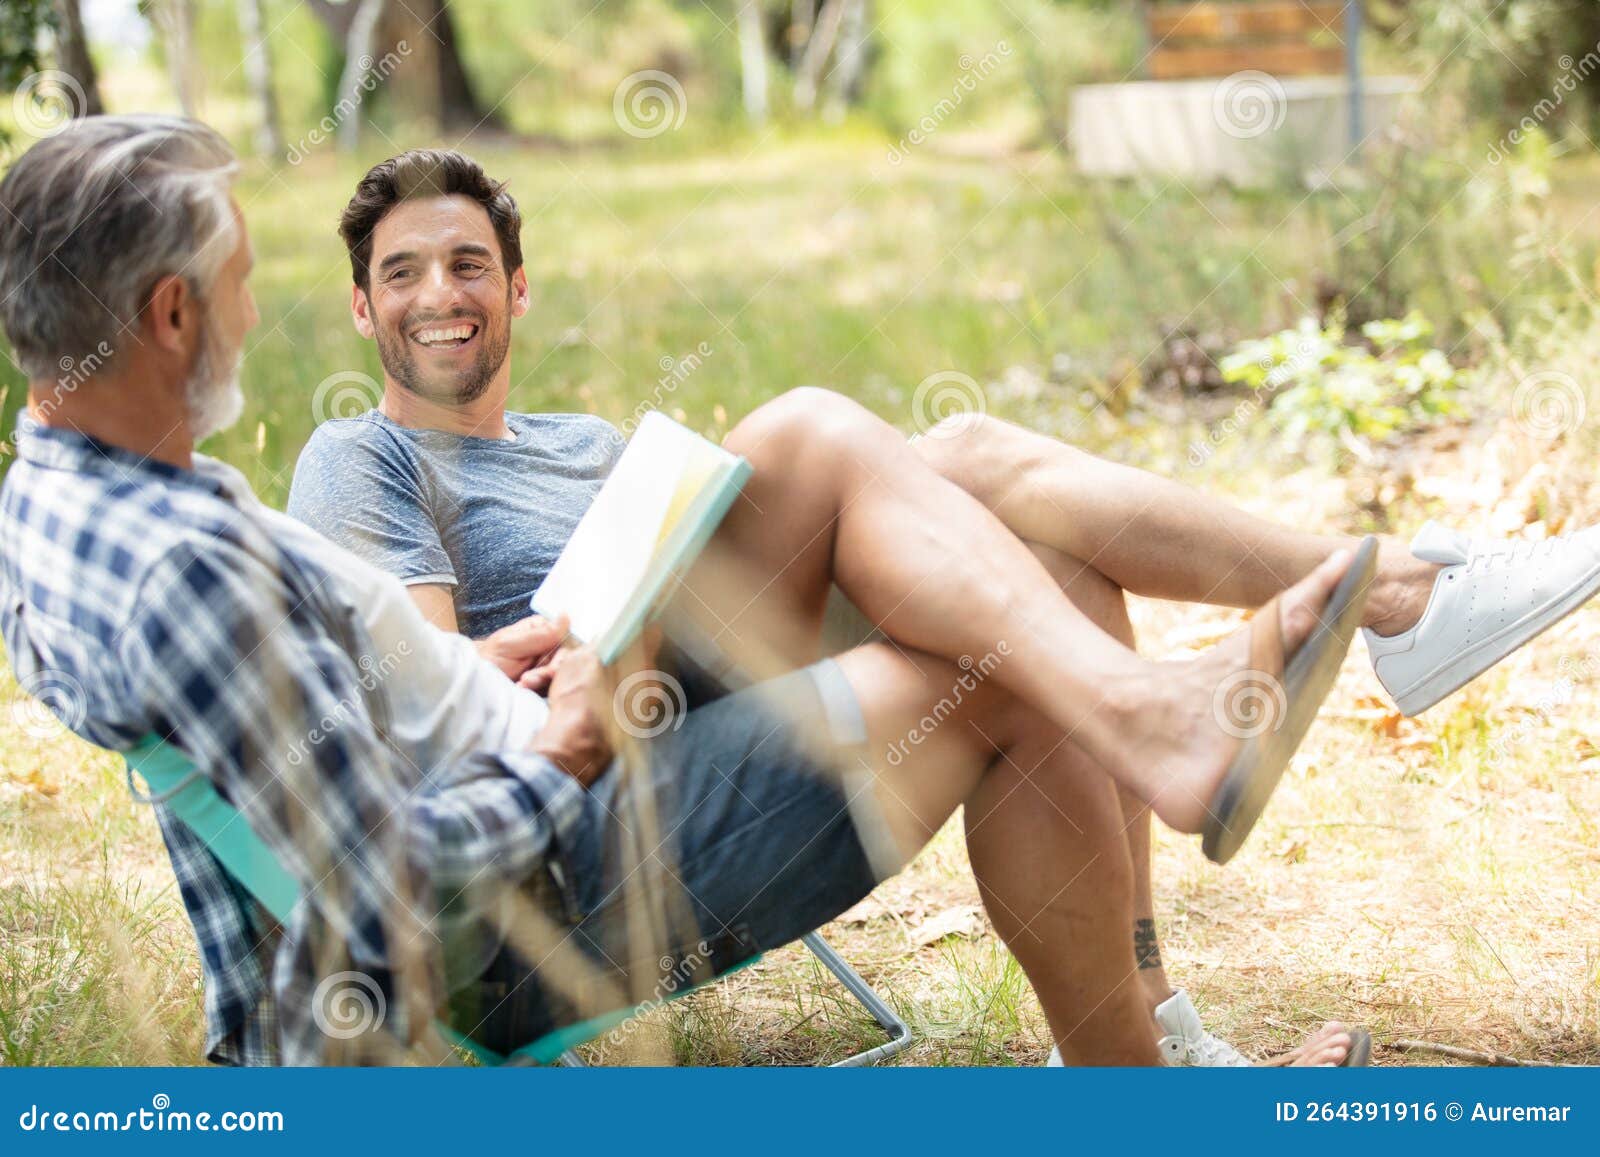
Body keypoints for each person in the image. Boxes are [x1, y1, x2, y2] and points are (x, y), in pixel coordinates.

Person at [0, 117, 1363, 1067]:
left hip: (554, 739)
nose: (251, 312)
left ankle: (1154, 993)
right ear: (172, 316)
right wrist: (568, 738)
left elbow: (375, 721)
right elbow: (388, 889)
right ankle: (1142, 1036)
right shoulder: (197, 554)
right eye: (238, 284)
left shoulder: (79, 490)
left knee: (989, 542)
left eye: (469, 264)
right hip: (531, 892)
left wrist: (531, 663)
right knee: (958, 571)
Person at [289, 148, 1600, 1064]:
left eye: (468, 262)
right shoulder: (367, 460)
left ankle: (1152, 1030)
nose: (439, 294)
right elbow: (444, 710)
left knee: (1018, 525)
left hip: (704, 695)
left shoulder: (583, 440)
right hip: (581, 770)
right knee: (823, 429)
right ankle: (1393, 594)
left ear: (516, 289)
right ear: (363, 306)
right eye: (402, 273)